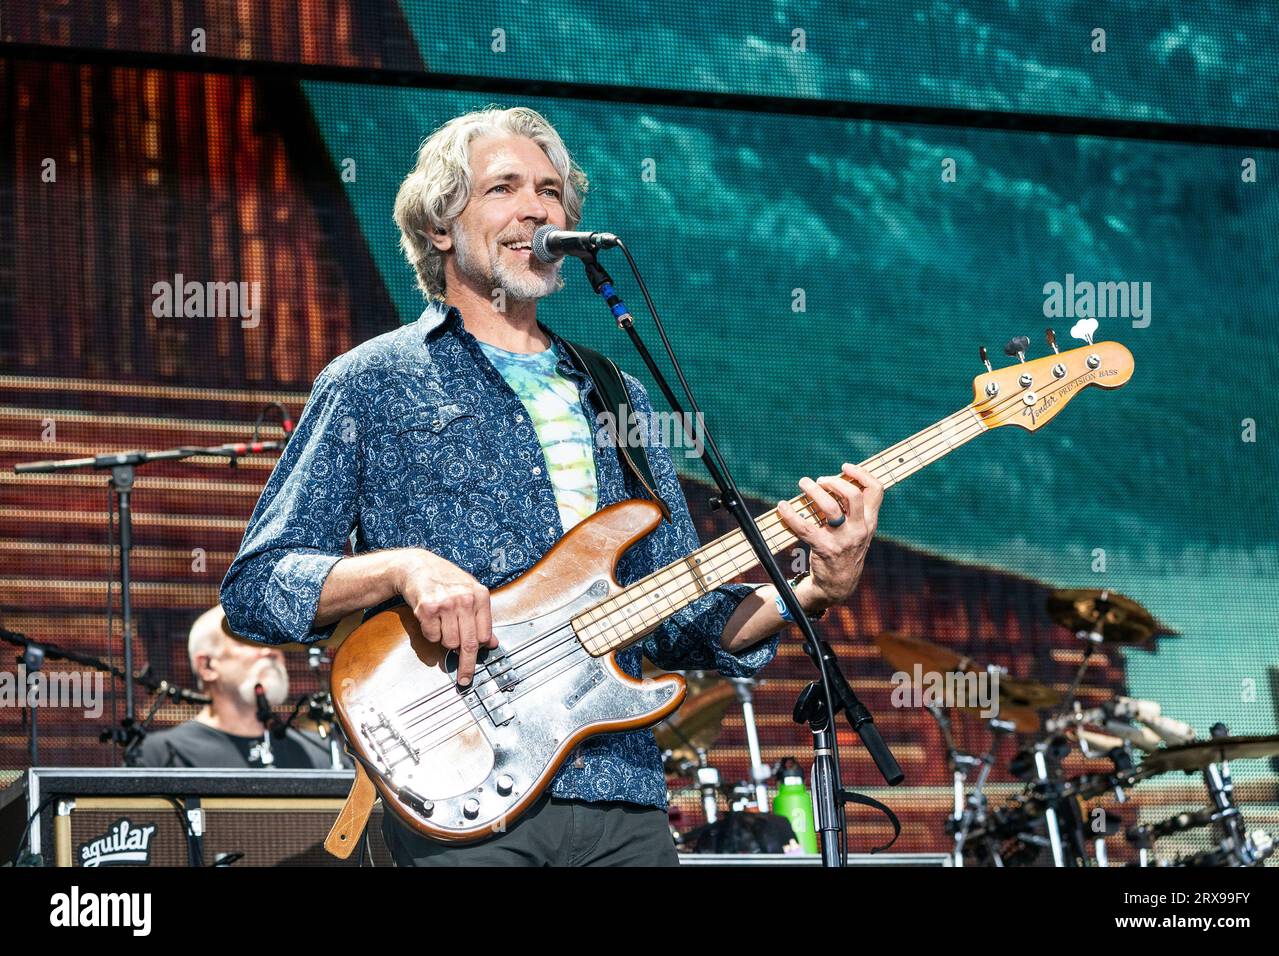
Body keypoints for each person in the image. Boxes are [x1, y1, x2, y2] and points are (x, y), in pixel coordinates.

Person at [221, 106, 883, 865]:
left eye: (551, 190)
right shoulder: (372, 381)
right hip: (463, 790)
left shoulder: (617, 395)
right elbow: (257, 587)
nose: (537, 208)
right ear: (440, 227)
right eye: (503, 188)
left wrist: (814, 589)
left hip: (622, 796)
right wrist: (403, 569)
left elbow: (682, 618)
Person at [132, 606, 335, 769]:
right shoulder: (159, 755)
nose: (270, 651)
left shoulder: (322, 753)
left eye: (274, 642)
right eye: (248, 640)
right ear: (207, 666)